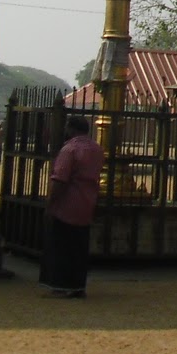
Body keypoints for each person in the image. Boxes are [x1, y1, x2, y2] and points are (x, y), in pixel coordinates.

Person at [39, 114, 105, 298]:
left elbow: (60, 179)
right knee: (79, 248)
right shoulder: (97, 149)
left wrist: (50, 202)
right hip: (87, 203)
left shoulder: (69, 150)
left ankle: (61, 283)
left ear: (70, 128)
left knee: (61, 246)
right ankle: (77, 285)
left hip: (67, 205)